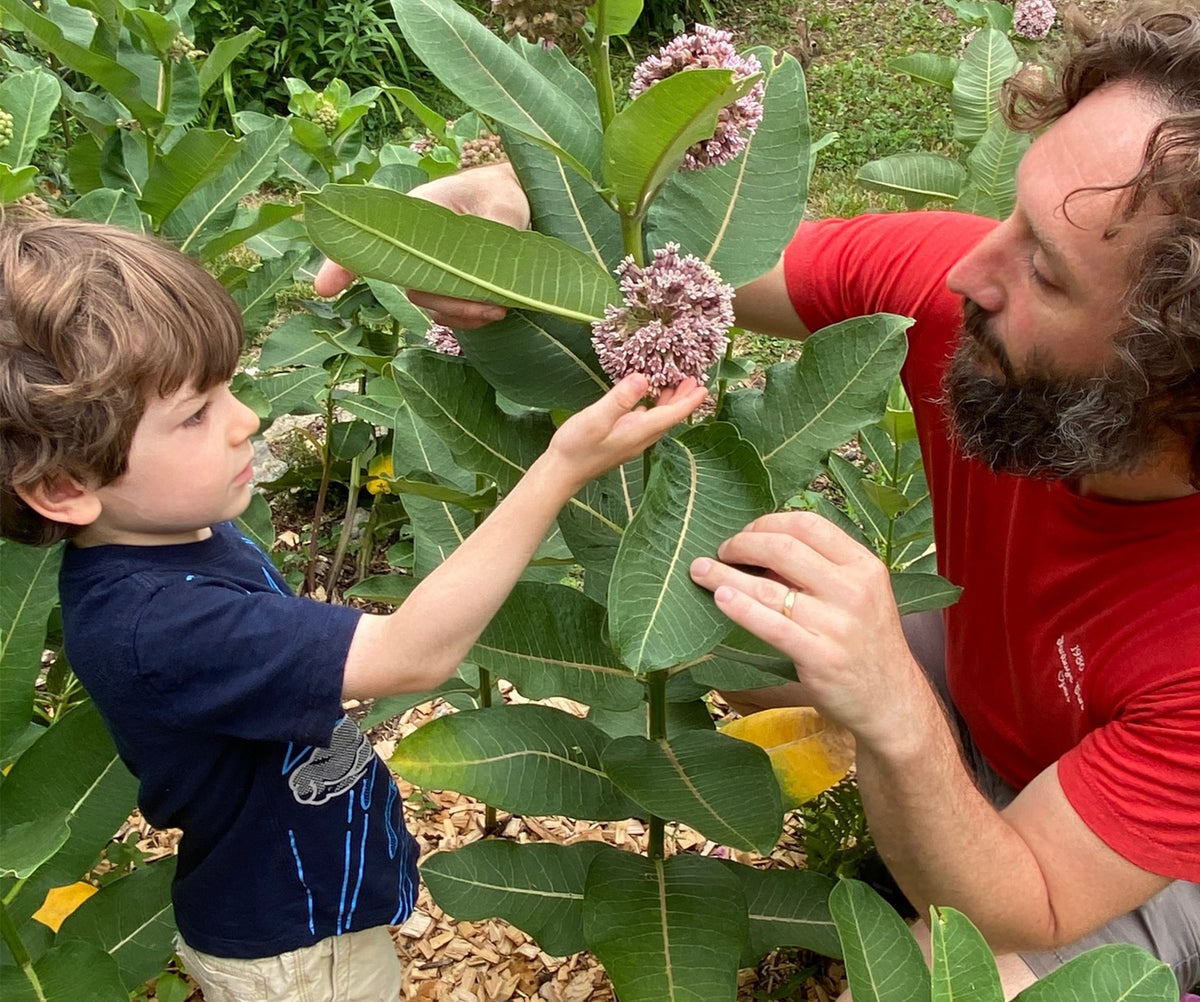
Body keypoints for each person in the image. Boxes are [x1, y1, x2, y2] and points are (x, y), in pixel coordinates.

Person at [315, 3, 1200, 995]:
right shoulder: (961, 297)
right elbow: (702, 279)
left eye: (1044, 267)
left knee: (933, 981)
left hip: (1136, 855)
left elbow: (1024, 900)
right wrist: (525, 222)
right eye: (1016, 217)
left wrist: (897, 715)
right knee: (723, 609)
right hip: (1004, 698)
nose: (964, 270)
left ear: (1175, 379)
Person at [0, 210, 706, 1002]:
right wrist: (558, 469)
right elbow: (415, 655)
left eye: (228, 389)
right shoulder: (158, 624)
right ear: (65, 488)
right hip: (296, 949)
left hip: (305, 905)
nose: (247, 422)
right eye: (195, 415)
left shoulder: (171, 533)